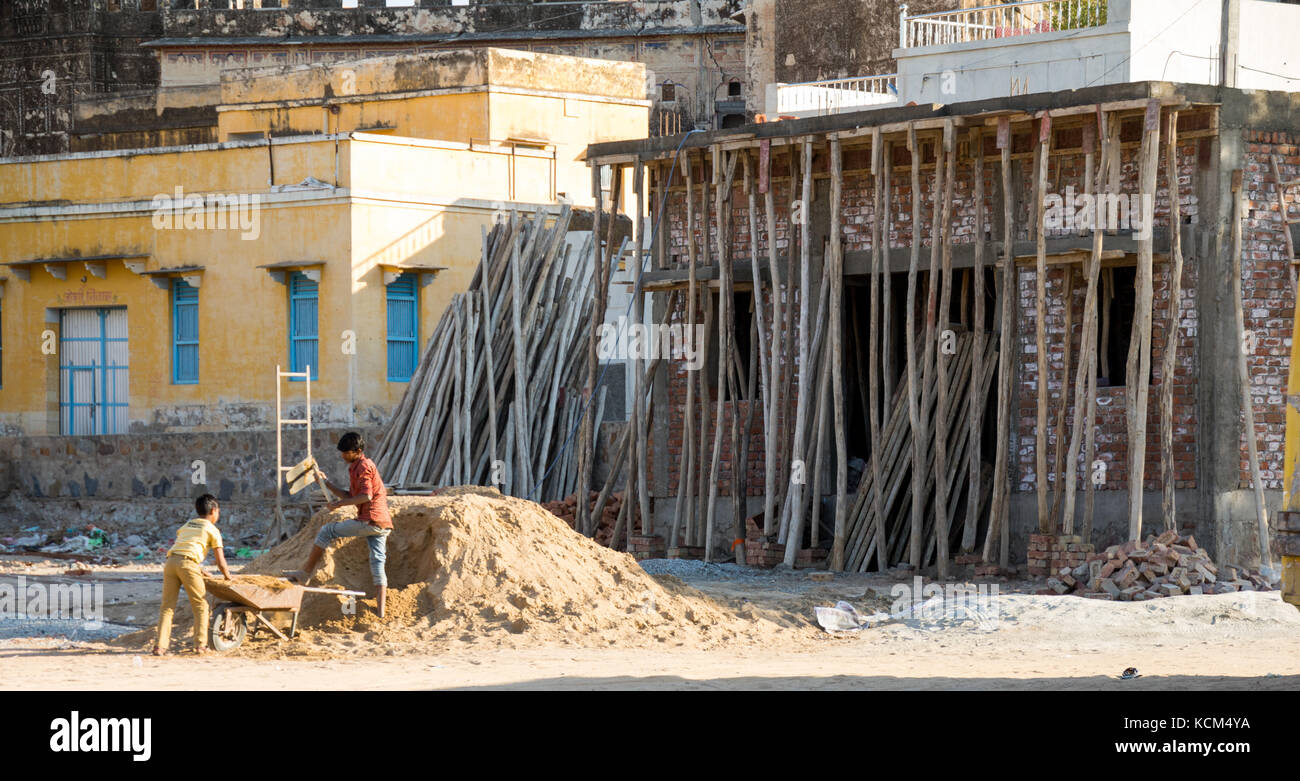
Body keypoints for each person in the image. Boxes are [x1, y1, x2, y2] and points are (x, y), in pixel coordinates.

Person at [286, 432, 393, 617]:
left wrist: (338, 505)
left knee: (326, 531)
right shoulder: (356, 466)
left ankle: (305, 573)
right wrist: (326, 483)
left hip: (369, 520)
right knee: (377, 563)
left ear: (358, 451)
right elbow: (349, 496)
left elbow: (365, 496)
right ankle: (381, 611)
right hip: (382, 523)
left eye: (347, 453)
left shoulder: (364, 466)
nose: (343, 456)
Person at [154, 493, 231, 656]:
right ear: (214, 510)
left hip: (170, 562)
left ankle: (160, 646)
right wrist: (228, 577)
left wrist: (200, 569)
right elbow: (220, 562)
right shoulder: (213, 529)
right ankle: (200, 645)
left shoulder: (188, 524)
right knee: (201, 606)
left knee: (167, 607)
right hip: (188, 565)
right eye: (218, 511)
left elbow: (185, 547)